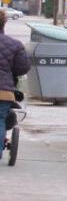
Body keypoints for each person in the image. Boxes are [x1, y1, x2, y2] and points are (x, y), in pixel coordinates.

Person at [0, 10, 30, 151]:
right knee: (0, 119)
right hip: (3, 92)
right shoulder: (15, 45)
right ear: (4, 23)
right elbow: (23, 68)